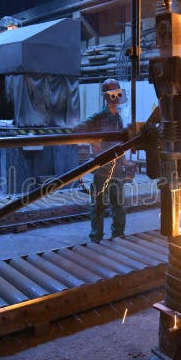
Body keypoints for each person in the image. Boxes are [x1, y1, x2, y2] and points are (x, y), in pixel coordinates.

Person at [73, 79, 133, 242]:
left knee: (118, 205)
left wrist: (125, 161)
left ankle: (118, 234)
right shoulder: (99, 117)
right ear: (108, 96)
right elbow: (78, 129)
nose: (118, 96)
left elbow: (120, 142)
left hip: (117, 168)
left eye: (118, 92)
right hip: (102, 169)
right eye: (114, 92)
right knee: (99, 205)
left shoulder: (118, 118)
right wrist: (94, 143)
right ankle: (96, 237)